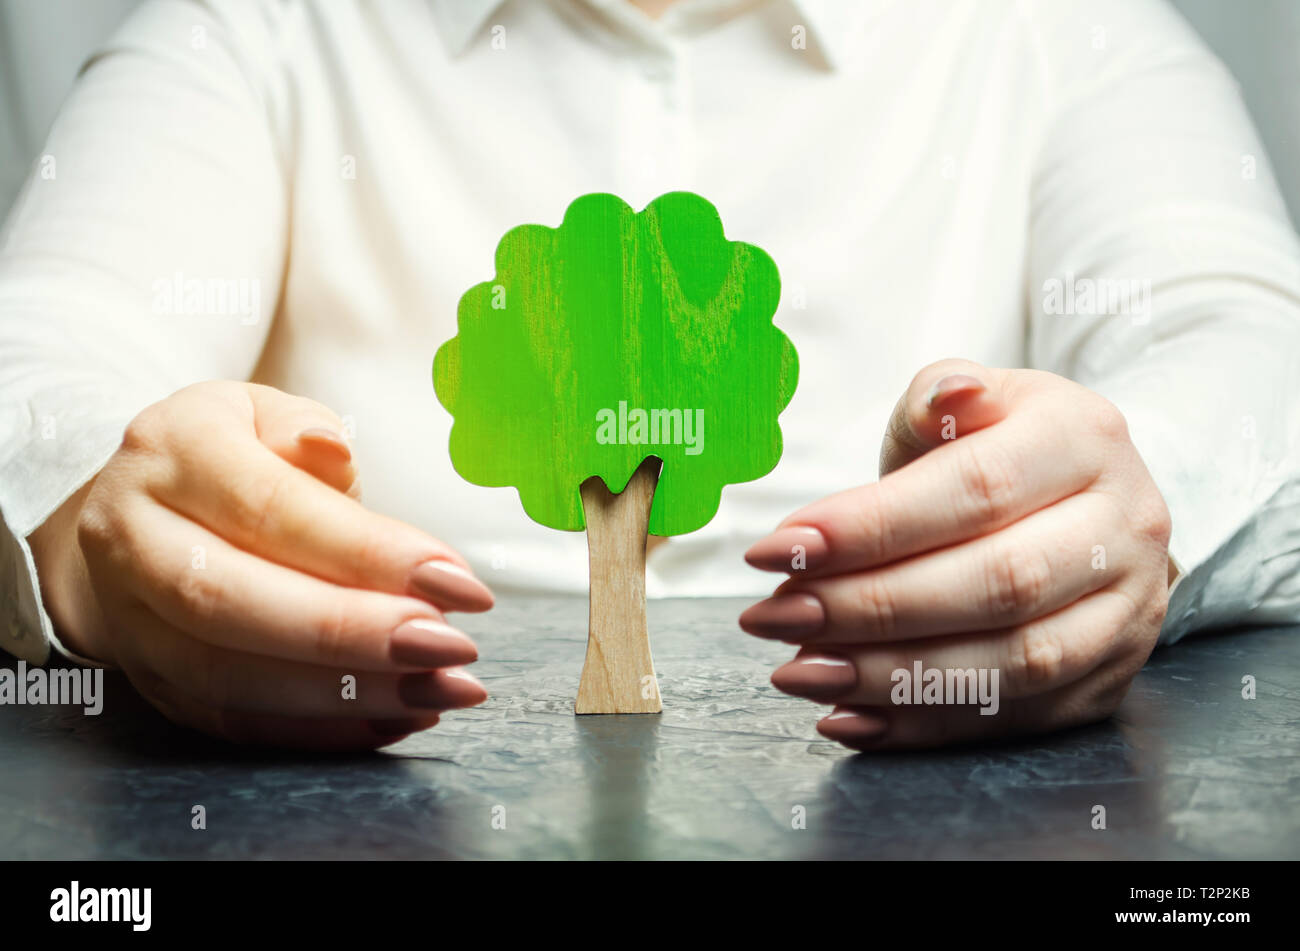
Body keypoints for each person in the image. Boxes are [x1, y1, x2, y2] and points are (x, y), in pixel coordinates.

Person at [2, 0, 1297, 751]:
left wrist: (1139, 502)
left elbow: (1249, 348)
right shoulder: (246, 28)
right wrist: (90, 509)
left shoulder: (1075, 34)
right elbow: (49, 340)